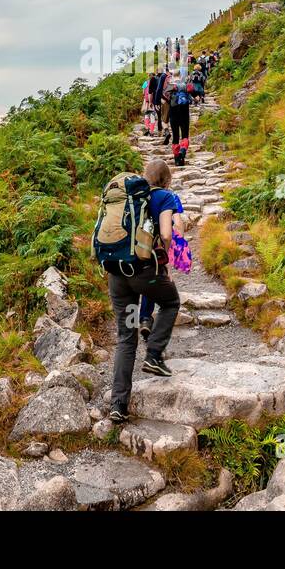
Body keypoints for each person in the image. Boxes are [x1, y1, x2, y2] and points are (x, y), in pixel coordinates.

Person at [106, 159, 182, 423]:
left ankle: (118, 405)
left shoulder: (129, 197)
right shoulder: (165, 197)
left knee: (126, 337)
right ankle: (153, 354)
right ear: (167, 179)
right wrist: (167, 257)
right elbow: (166, 233)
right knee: (171, 302)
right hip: (144, 275)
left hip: (118, 278)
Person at [135, 158, 186, 341]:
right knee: (154, 279)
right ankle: (146, 320)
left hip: (132, 249)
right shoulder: (169, 197)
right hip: (153, 249)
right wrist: (173, 251)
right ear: (168, 180)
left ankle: (135, 322)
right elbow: (176, 226)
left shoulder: (136, 194)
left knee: (136, 286)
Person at [166, 66, 193, 165]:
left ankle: (177, 159)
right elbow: (192, 95)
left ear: (173, 76)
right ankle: (182, 151)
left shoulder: (170, 86)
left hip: (173, 112)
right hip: (184, 112)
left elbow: (165, 97)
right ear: (180, 75)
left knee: (175, 136)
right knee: (185, 135)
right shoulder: (185, 85)